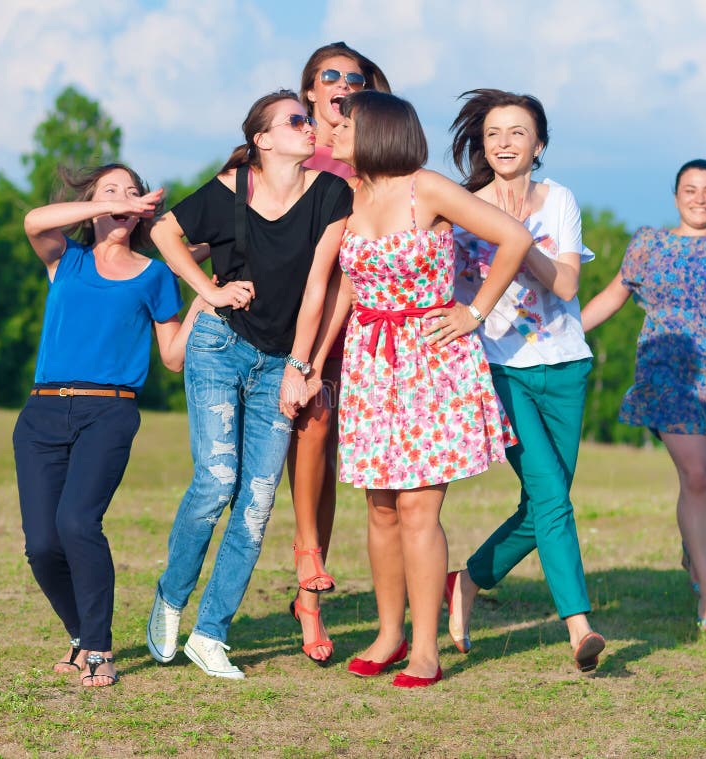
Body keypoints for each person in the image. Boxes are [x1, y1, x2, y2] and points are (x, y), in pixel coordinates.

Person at [306, 91, 532, 687]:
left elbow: (514, 238)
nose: (333, 130)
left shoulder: (424, 187)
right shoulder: (347, 197)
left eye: (344, 123)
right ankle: (389, 634)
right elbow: (348, 290)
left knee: (418, 506)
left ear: (376, 130)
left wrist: (474, 312)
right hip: (370, 365)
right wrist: (309, 361)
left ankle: (427, 647)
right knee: (379, 506)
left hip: (432, 361)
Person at [146, 89, 353, 679]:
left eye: (308, 119)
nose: (309, 126)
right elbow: (165, 233)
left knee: (257, 503)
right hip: (218, 344)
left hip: (280, 362)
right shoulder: (233, 186)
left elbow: (319, 288)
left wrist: (301, 364)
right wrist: (207, 292)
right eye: (296, 119)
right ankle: (170, 597)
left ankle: (211, 633)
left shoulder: (332, 195)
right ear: (263, 139)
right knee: (217, 482)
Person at [13, 163, 202, 687]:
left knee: (77, 523)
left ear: (143, 208)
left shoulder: (155, 274)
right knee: (42, 544)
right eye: (110, 191)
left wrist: (206, 298)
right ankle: (79, 634)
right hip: (42, 414)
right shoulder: (65, 260)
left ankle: (98, 646)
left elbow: (171, 357)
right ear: (93, 206)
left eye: (131, 192)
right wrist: (107, 205)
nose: (122, 198)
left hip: (110, 411)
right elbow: (34, 220)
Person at [439, 89, 606, 672]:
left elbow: (563, 286)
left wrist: (516, 238)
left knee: (543, 503)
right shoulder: (459, 208)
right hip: (498, 368)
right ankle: (579, 628)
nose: (504, 142)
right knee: (553, 497)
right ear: (482, 146)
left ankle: (467, 580)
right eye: (493, 134)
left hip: (565, 364)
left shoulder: (558, 199)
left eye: (517, 132)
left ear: (538, 145)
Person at [582, 158, 706, 633]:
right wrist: (566, 335)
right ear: (676, 196)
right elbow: (613, 295)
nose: (699, 198)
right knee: (696, 475)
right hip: (666, 371)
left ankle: (694, 550)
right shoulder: (649, 243)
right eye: (690, 190)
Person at [286, 42, 391, 665]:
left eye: (355, 78)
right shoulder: (284, 151)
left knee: (327, 457)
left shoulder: (367, 163)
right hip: (282, 322)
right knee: (310, 440)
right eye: (330, 76)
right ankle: (307, 578)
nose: (343, 84)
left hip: (351, 328)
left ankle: (310, 594)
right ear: (308, 91)